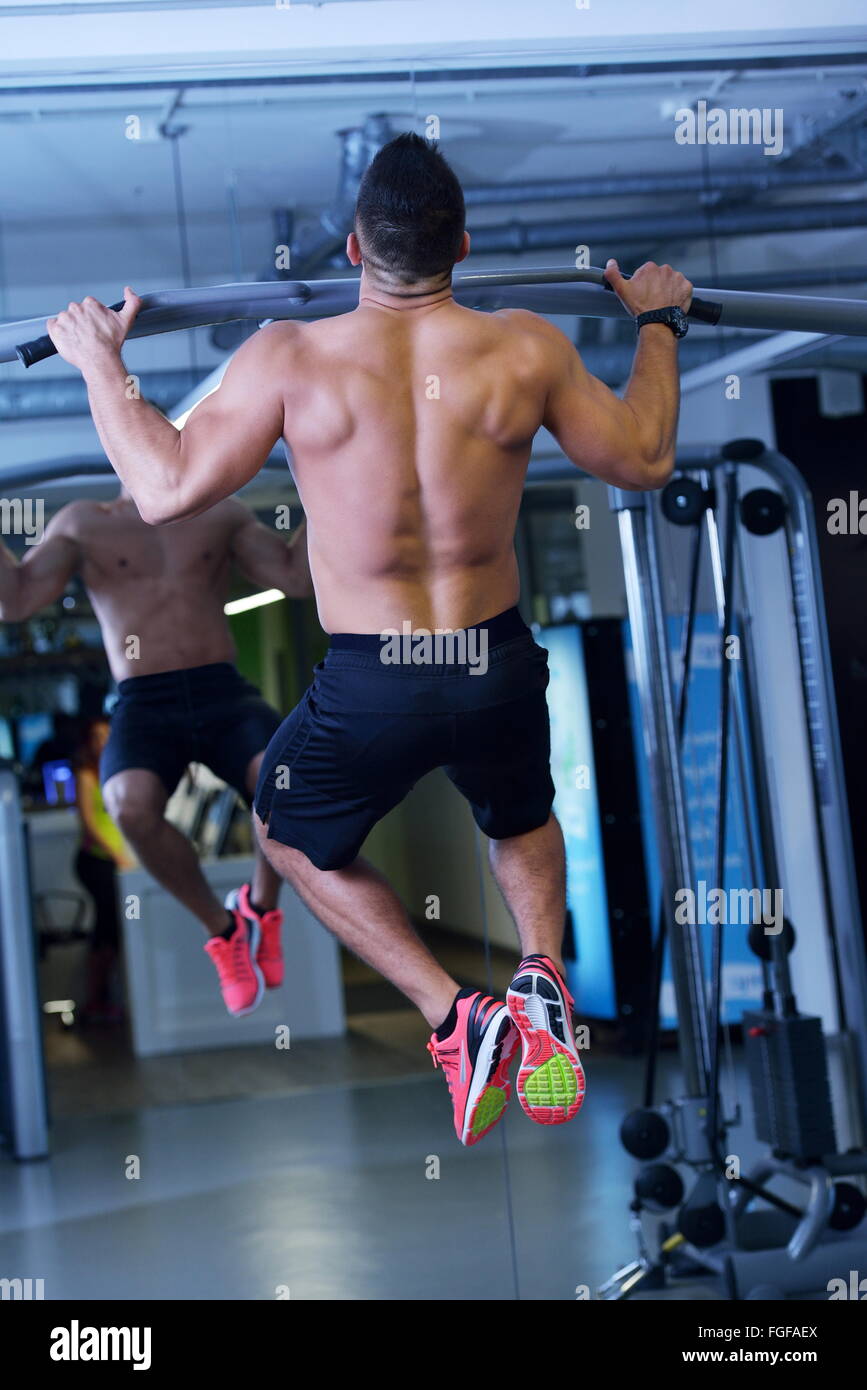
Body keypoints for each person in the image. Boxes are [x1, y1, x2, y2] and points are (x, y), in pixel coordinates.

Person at [43, 133, 691, 1146]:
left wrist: (100, 363)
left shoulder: (290, 357)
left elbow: (163, 489)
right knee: (519, 811)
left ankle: (455, 1015)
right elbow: (647, 457)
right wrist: (656, 324)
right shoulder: (526, 347)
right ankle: (539, 971)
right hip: (492, 661)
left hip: (374, 680)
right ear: (464, 245)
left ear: (351, 248)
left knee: (287, 827)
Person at [0, 488, 311, 1017]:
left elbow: (295, 578)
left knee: (281, 781)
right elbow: (17, 600)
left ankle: (261, 907)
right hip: (145, 698)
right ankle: (223, 930)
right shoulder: (83, 521)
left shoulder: (220, 511)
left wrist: (324, 486)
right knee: (129, 805)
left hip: (220, 688)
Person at [73, 715, 131, 1023]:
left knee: (111, 930)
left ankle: (108, 998)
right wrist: (116, 856)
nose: (102, 741)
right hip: (96, 861)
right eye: (96, 736)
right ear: (88, 742)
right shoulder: (86, 775)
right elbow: (89, 825)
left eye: (106, 735)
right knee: (106, 930)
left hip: (116, 861)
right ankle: (96, 1000)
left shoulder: (116, 770)